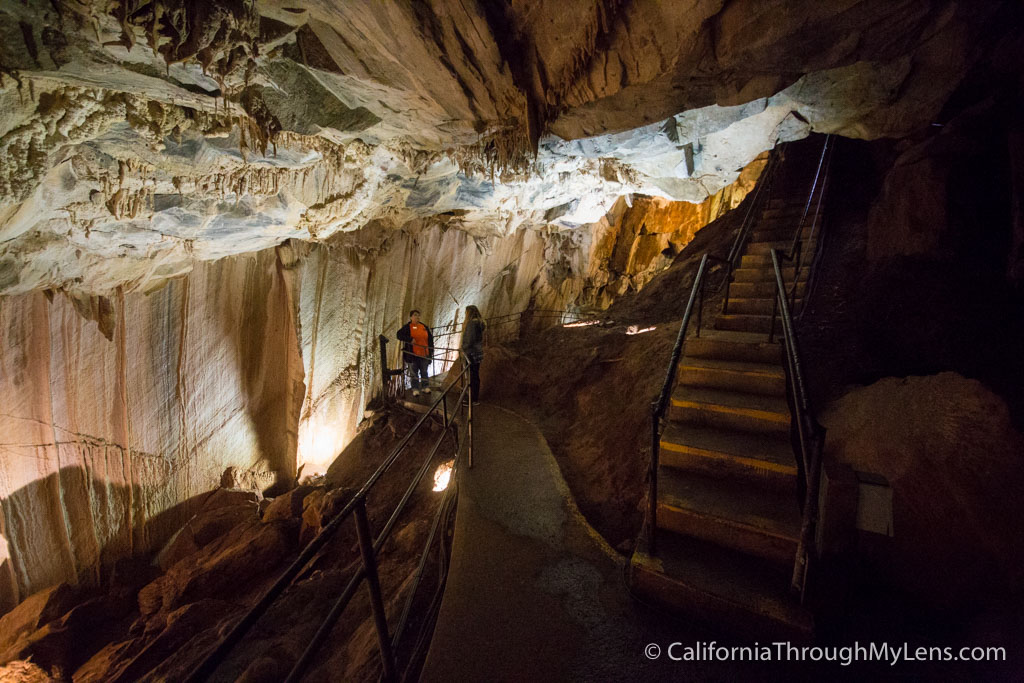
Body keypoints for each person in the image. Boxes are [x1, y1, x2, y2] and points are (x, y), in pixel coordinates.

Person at [397, 309, 434, 397]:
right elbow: (399, 335)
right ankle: (415, 388)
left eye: (418, 315)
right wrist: (409, 339)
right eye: (415, 315)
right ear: (411, 317)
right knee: (414, 372)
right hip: (413, 354)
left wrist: (431, 352)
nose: (417, 317)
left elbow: (430, 340)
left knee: (424, 371)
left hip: (424, 353)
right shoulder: (407, 327)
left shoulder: (424, 326)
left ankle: (425, 386)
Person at [460, 305, 485, 405]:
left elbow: (470, 339)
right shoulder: (479, 322)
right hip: (477, 352)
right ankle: (474, 398)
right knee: (475, 375)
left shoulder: (471, 324)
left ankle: (471, 399)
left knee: (471, 376)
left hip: (470, 353)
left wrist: (463, 348)